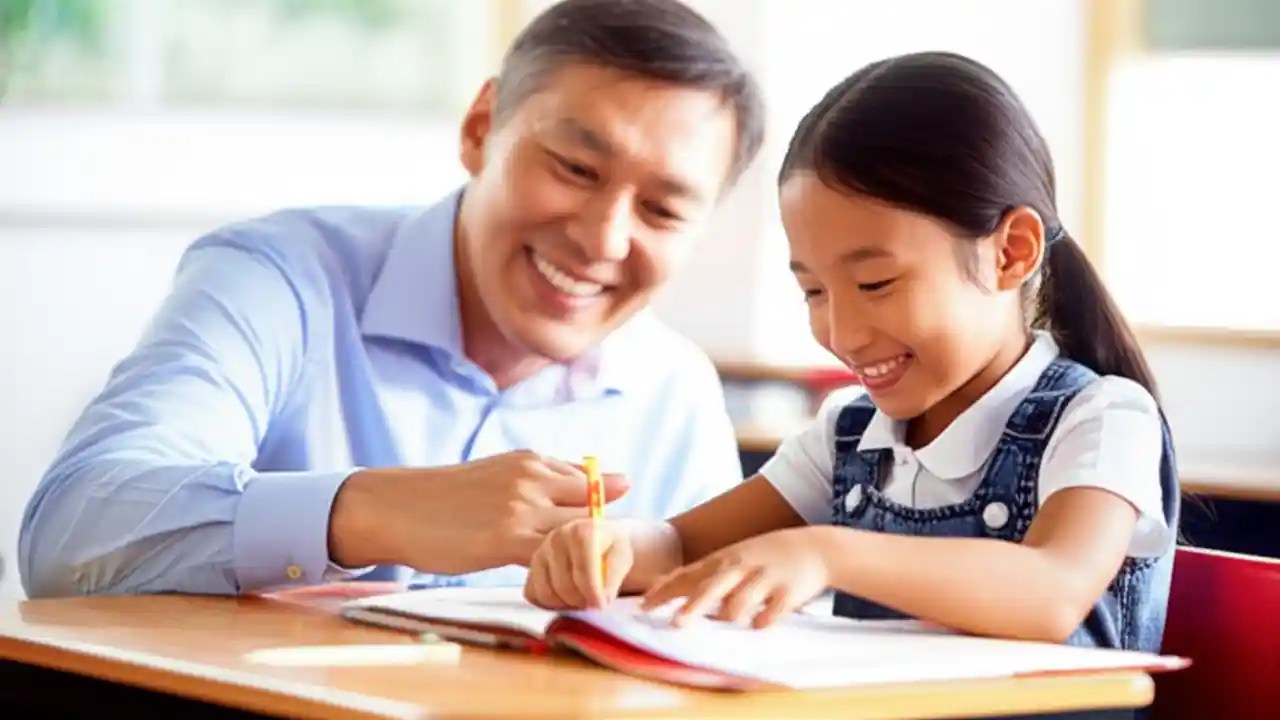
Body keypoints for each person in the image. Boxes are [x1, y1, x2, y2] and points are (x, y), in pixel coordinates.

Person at [19, 0, 764, 597]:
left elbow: (721, 630)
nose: (604, 239)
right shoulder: (279, 280)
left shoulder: (675, 390)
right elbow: (70, 536)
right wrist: (369, 512)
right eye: (574, 167)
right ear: (481, 129)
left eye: (662, 211)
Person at [524, 51, 1179, 651]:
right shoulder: (850, 436)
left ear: (1011, 252)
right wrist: (607, 547)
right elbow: (679, 545)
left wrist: (827, 553)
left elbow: (1051, 591)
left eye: (875, 283)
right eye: (813, 290)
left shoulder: (1103, 418)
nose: (842, 332)